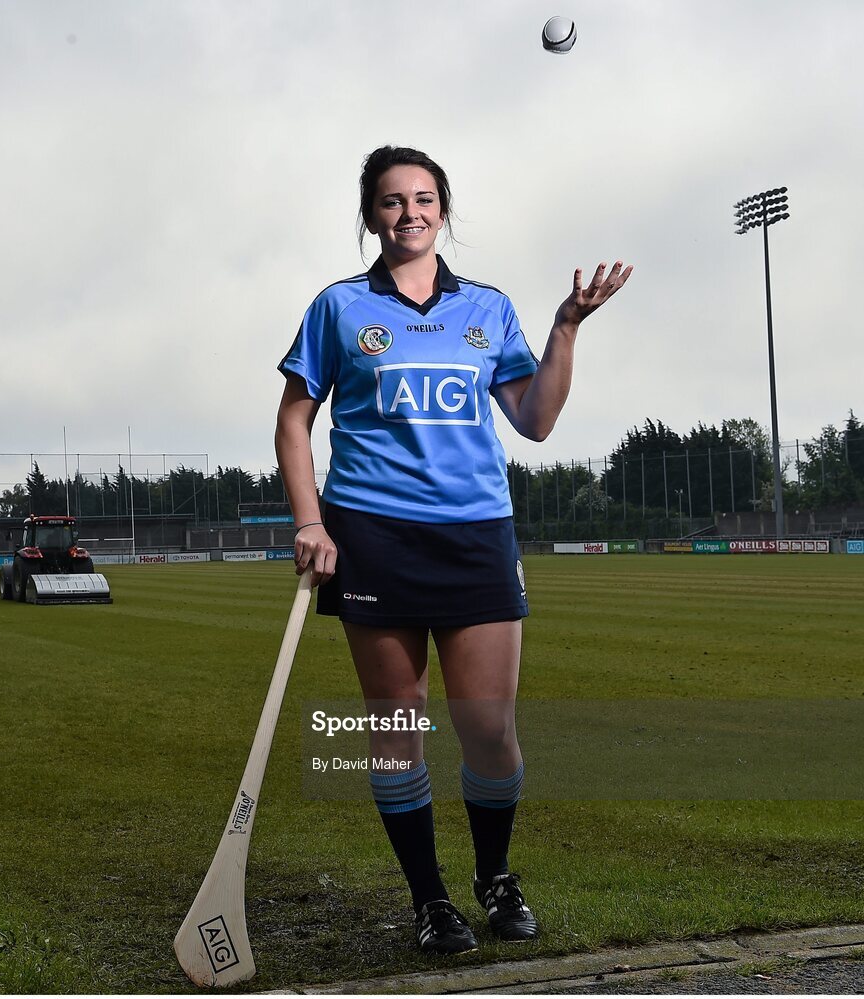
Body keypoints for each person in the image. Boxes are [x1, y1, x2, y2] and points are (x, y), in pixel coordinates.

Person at [274, 145, 632, 955]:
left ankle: (494, 876)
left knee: (489, 728)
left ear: (444, 209)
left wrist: (564, 329)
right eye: (393, 201)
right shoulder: (337, 307)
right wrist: (310, 520)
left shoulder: (489, 310)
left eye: (425, 198)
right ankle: (431, 899)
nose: (410, 213)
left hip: (474, 534)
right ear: (371, 215)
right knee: (397, 723)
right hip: (373, 535)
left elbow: (535, 420)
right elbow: (295, 419)